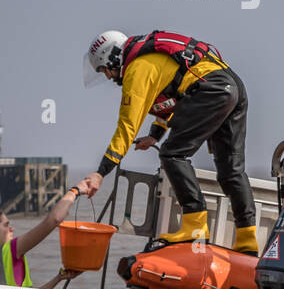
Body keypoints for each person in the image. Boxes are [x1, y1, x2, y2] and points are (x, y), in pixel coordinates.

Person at [81, 30, 258, 254]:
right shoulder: (152, 60)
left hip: (210, 90)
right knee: (231, 169)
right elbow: (169, 101)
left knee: (172, 155)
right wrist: (155, 135)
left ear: (113, 57)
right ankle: (247, 240)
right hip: (231, 86)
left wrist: (100, 173)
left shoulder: (137, 69)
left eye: (105, 69)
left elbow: (127, 126)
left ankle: (195, 225)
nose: (107, 77)